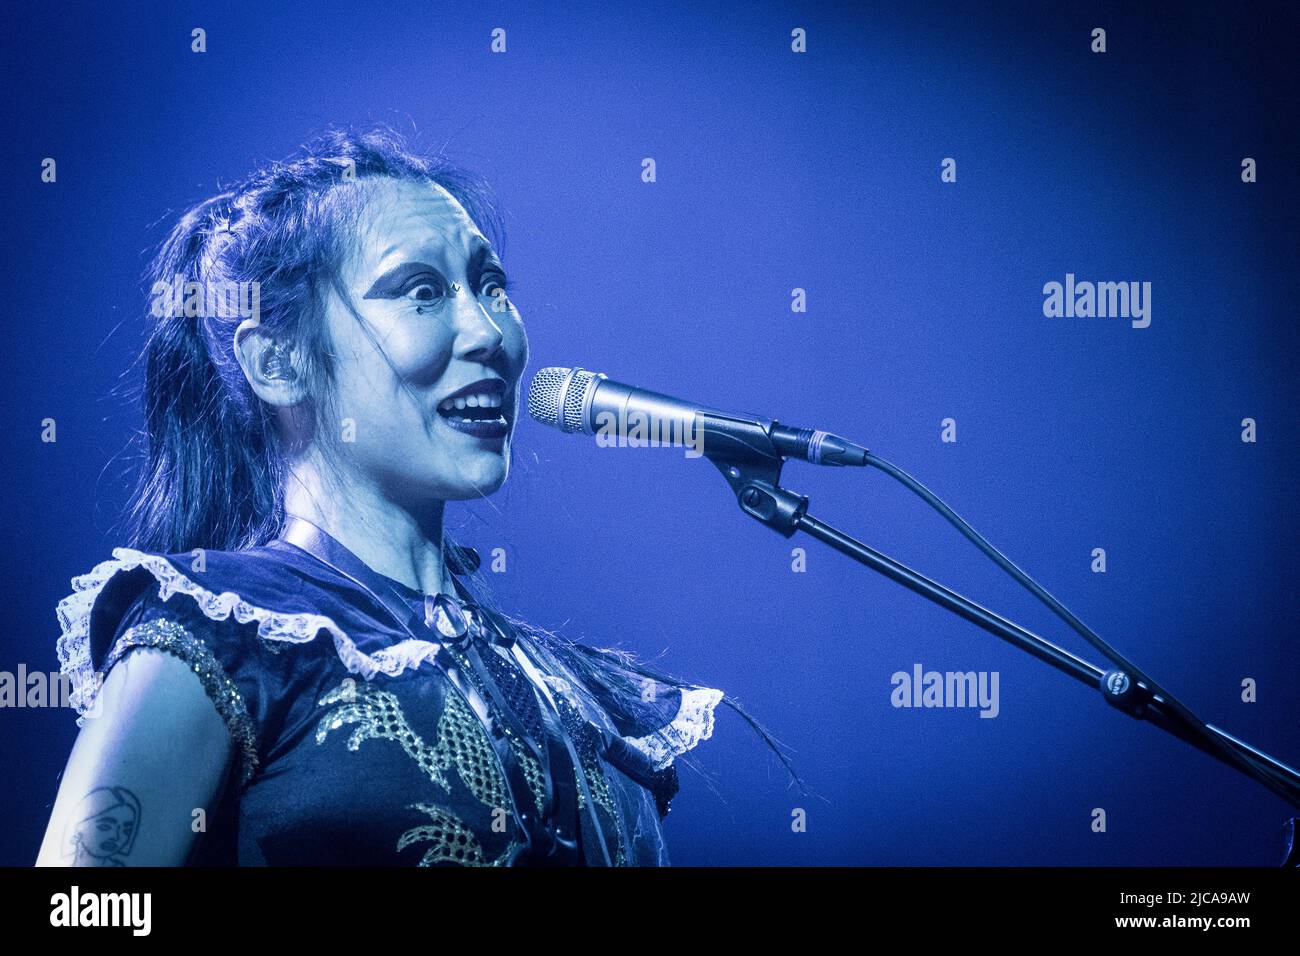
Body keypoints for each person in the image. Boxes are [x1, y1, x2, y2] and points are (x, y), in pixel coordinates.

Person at [36, 128, 750, 866]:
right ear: (277, 362)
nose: (488, 331)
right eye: (421, 292)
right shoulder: (221, 635)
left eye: (491, 286)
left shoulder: (572, 691)